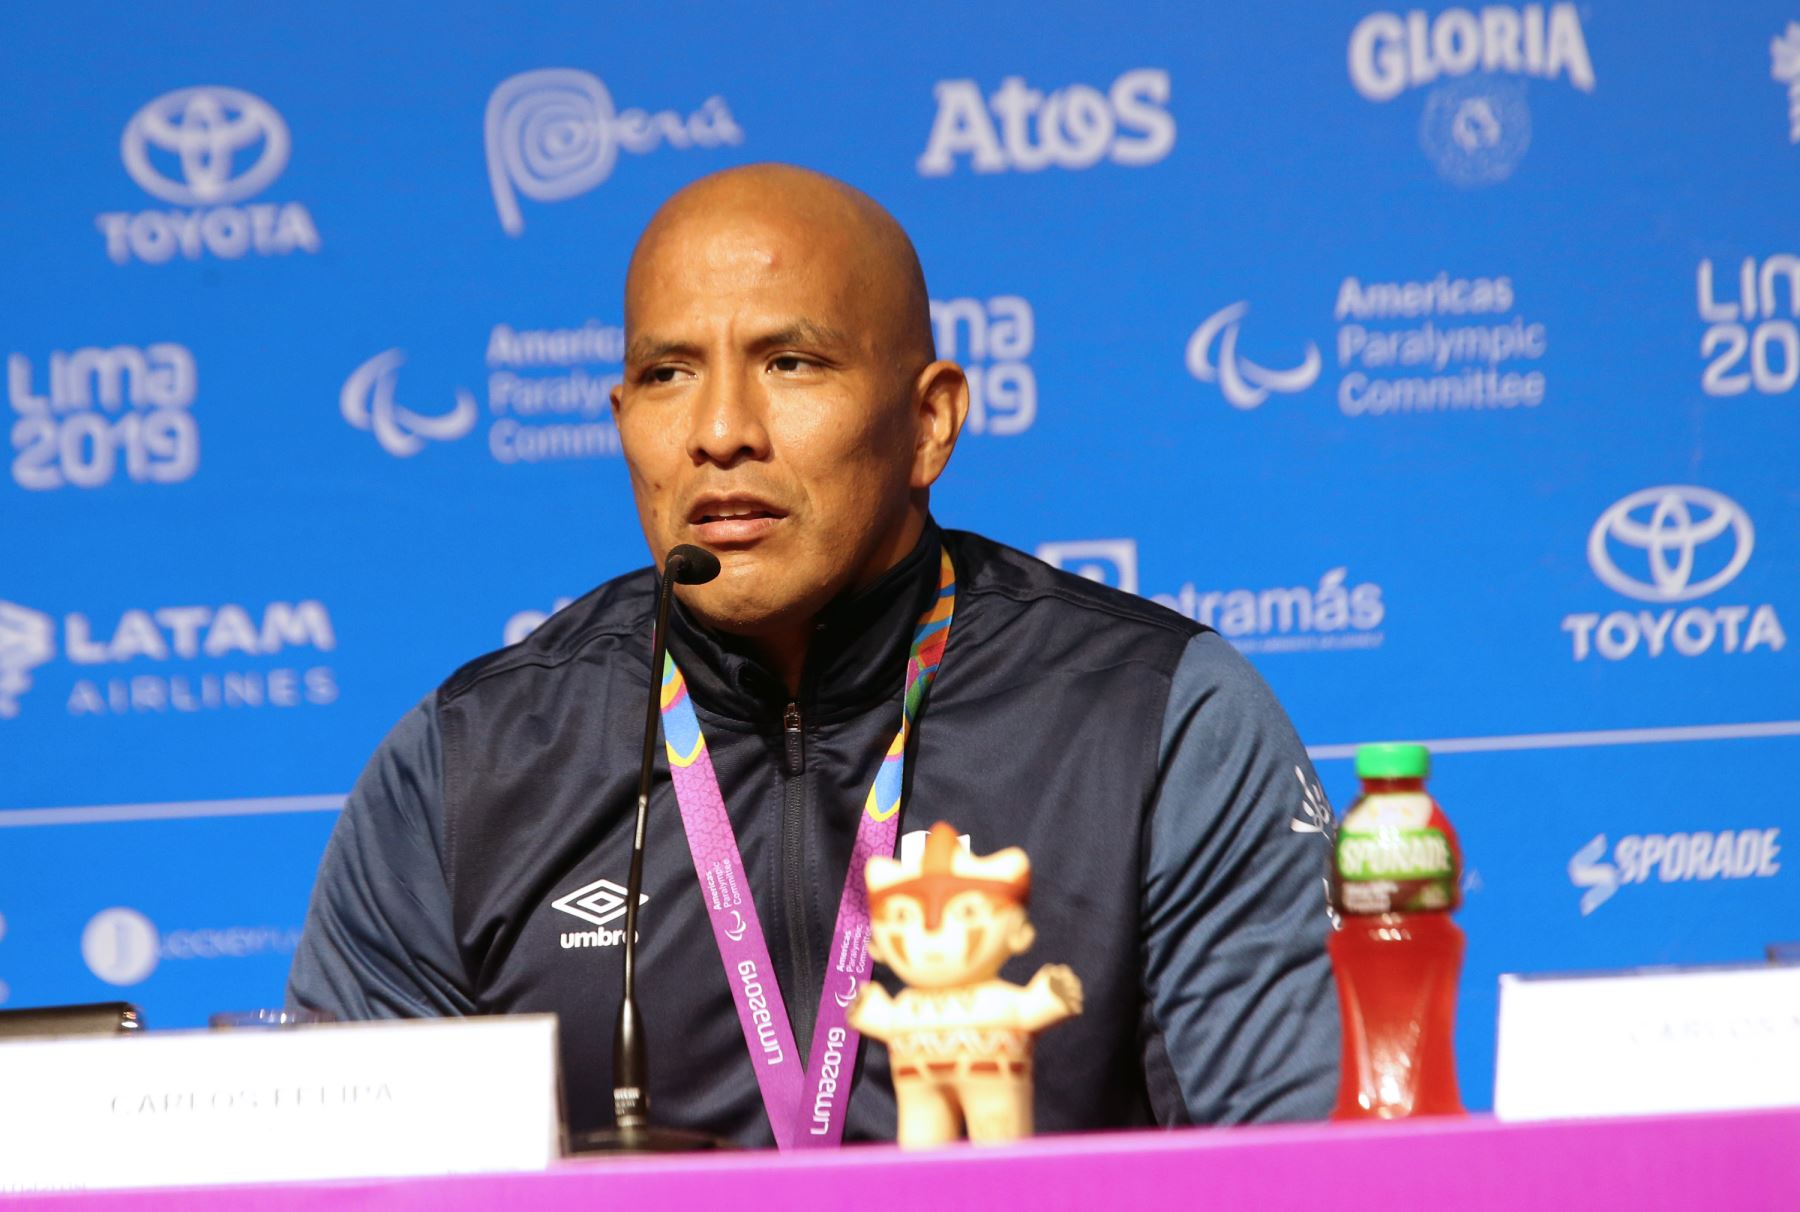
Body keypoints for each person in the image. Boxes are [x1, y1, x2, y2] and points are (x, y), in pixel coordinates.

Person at [289, 163, 1339, 1145]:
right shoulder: (467, 769)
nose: (721, 431)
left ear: (930, 423)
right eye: (667, 373)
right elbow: (351, 1178)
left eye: (790, 363)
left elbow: (1297, 1174)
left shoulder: (1157, 720)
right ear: (622, 421)